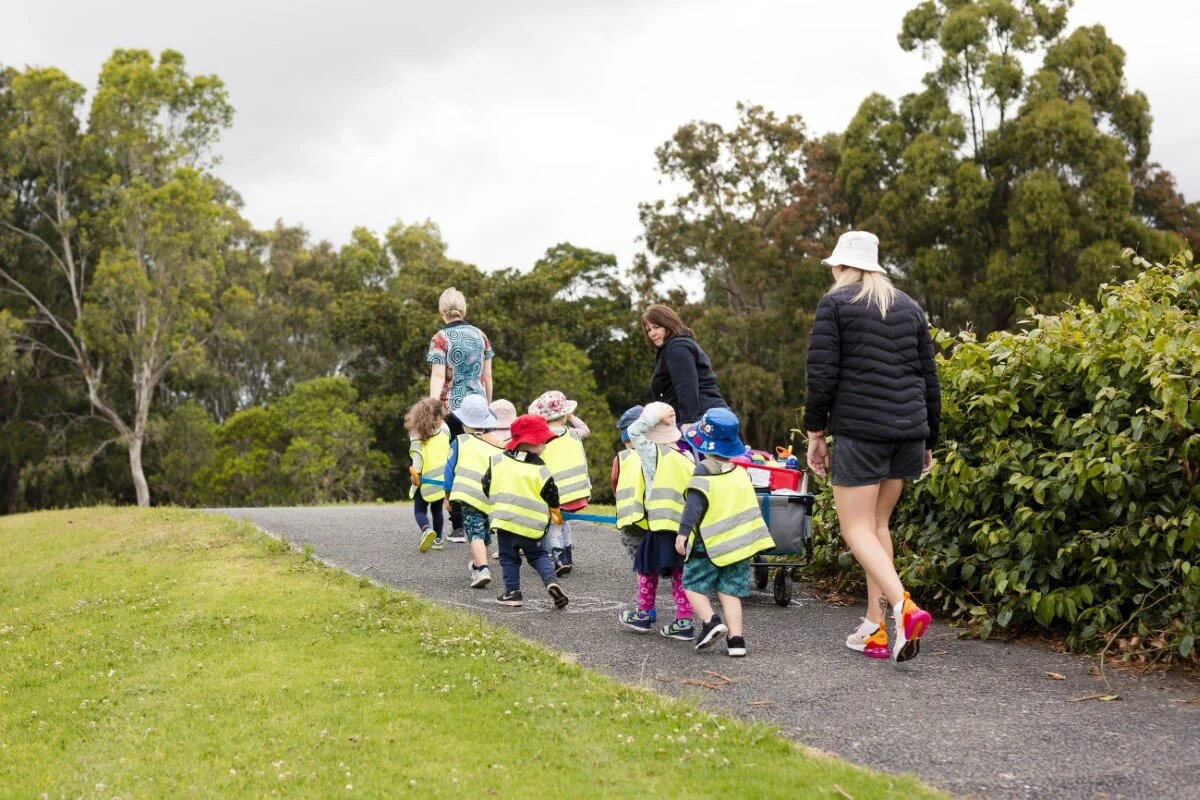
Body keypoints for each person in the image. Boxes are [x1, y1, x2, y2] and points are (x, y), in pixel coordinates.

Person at [803, 230, 939, 663]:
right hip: (908, 432)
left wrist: (814, 433)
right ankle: (876, 628)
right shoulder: (908, 306)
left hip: (862, 431)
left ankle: (904, 608)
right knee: (878, 527)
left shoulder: (836, 304)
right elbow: (928, 378)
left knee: (855, 529)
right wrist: (929, 439)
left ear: (842, 266)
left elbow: (821, 374)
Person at [675, 408, 775, 657]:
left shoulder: (703, 472)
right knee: (730, 592)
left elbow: (693, 508)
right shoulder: (741, 474)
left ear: (705, 445)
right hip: (739, 547)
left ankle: (710, 621)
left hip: (708, 545)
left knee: (692, 585)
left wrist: (683, 533)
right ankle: (737, 641)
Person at [619, 402, 697, 640]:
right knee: (680, 574)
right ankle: (684, 621)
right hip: (682, 527)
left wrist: (653, 416)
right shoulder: (687, 456)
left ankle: (643, 614)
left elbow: (633, 432)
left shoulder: (652, 454)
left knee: (647, 569)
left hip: (659, 524)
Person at [428, 287, 494, 539]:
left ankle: (459, 525)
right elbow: (487, 376)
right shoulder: (480, 336)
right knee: (481, 459)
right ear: (463, 309)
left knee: (456, 461)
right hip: (478, 406)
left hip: (452, 408)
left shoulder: (440, 339)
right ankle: (484, 518)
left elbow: (437, 375)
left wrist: (433, 408)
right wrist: (487, 406)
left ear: (441, 311)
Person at [482, 414, 569, 609]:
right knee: (539, 556)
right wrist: (554, 510)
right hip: (532, 526)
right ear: (530, 442)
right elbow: (552, 495)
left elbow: (486, 484)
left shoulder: (498, 461)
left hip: (505, 522)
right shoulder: (541, 470)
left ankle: (513, 592)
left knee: (508, 558)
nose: (546, 446)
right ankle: (551, 581)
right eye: (543, 441)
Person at [444, 395, 505, 588]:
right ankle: (479, 563)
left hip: (468, 497)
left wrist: (447, 496)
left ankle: (482, 569)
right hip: (492, 498)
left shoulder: (460, 442)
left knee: (474, 533)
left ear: (464, 423)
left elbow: (449, 471)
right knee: (484, 532)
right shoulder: (497, 444)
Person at [528, 390, 591, 575]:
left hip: (554, 491)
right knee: (564, 521)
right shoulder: (572, 433)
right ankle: (568, 554)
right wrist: (571, 416)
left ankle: (558, 558)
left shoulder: (542, 437)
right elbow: (586, 430)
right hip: (576, 490)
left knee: (554, 523)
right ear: (564, 416)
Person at [642, 304, 728, 427]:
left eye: (656, 327)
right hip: (703, 418)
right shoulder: (672, 347)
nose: (652, 334)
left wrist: (688, 421)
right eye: (649, 330)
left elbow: (686, 385)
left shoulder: (677, 348)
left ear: (668, 324)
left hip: (704, 421)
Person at [404, 397, 450, 552]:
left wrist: (414, 476)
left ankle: (426, 530)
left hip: (422, 481)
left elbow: (417, 459)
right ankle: (437, 540)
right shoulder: (445, 431)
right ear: (437, 418)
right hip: (440, 482)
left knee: (419, 510)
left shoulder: (416, 435)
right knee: (437, 510)